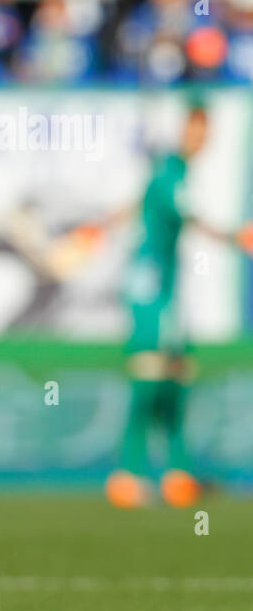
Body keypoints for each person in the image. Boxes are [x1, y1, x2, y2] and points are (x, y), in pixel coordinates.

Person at [94, 101, 253, 507]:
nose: (201, 139)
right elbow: (189, 217)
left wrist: (101, 224)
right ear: (184, 131)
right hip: (150, 283)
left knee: (178, 370)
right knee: (151, 371)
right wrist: (236, 236)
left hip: (166, 283)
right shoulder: (170, 170)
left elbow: (138, 205)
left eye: (206, 132)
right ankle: (128, 474)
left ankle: (177, 472)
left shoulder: (173, 171)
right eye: (196, 131)